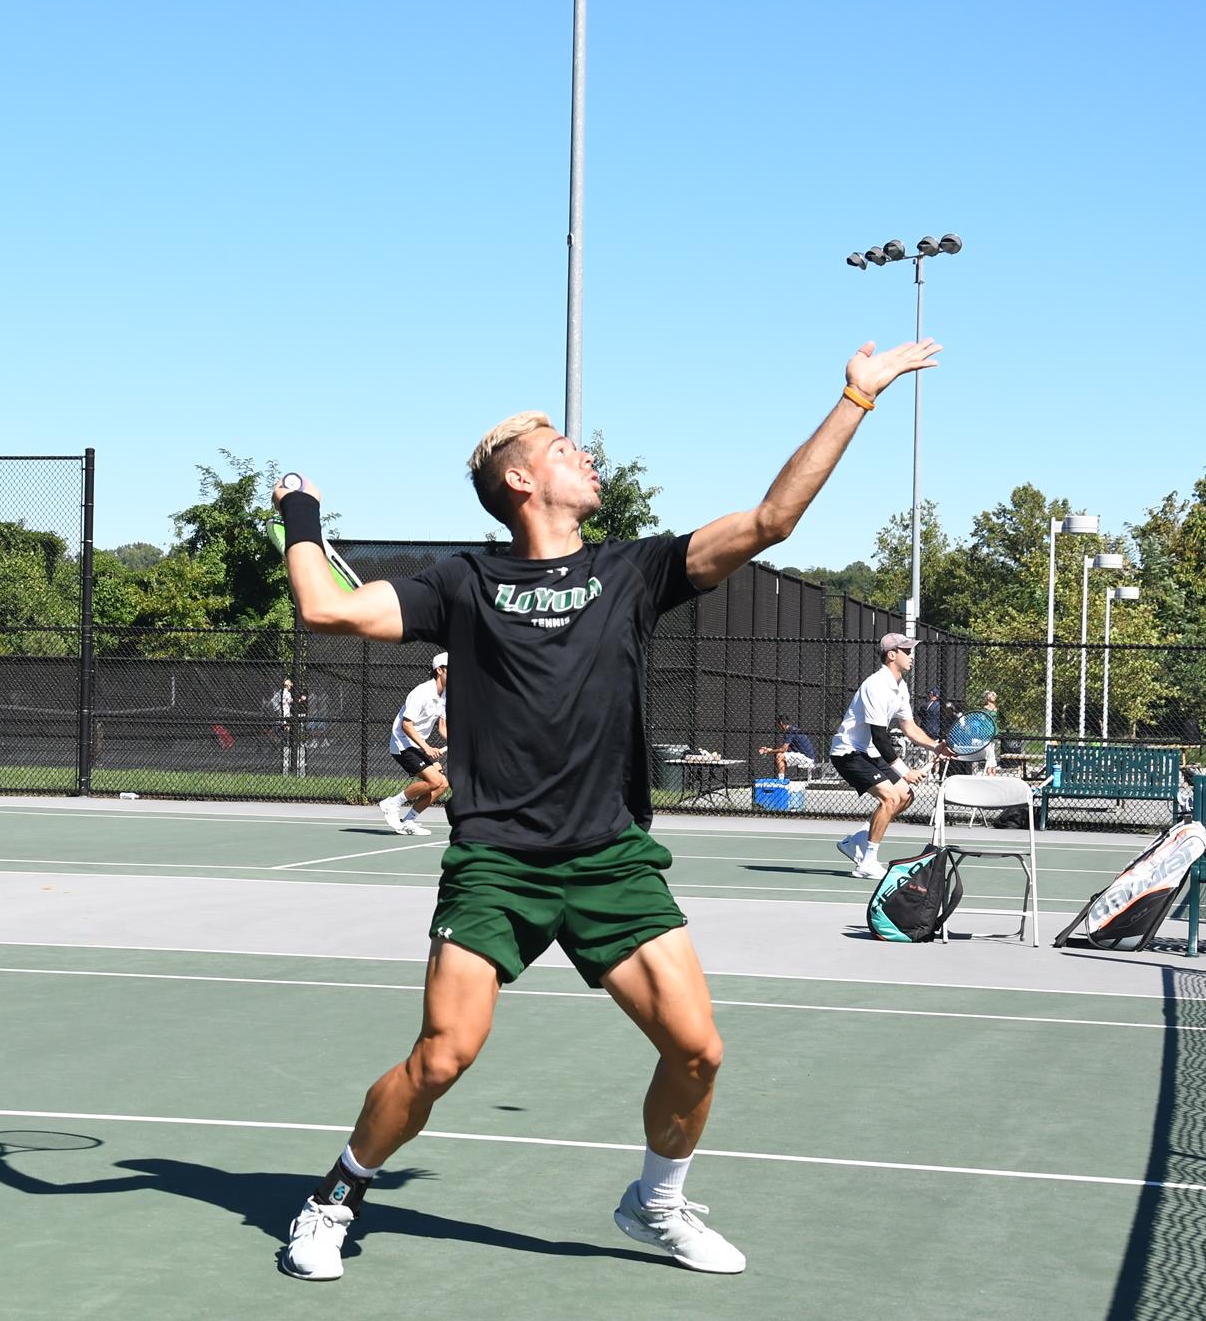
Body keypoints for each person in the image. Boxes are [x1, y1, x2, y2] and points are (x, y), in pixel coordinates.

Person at [269, 336, 942, 1282]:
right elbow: (324, 608)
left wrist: (854, 401)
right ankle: (335, 1194)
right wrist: (301, 510)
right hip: (499, 859)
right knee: (442, 1056)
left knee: (699, 1051)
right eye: (561, 447)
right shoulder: (465, 584)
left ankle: (654, 1202)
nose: (584, 455)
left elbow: (773, 518)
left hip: (609, 859)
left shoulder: (636, 572)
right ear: (517, 478)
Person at [830, 634, 954, 880]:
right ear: (892, 655)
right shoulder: (875, 685)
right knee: (890, 798)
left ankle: (856, 841)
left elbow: (909, 728)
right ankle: (867, 862)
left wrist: (935, 746)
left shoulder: (901, 686)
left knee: (905, 797)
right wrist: (905, 771)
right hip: (848, 752)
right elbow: (879, 736)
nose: (912, 656)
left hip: (869, 752)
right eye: (906, 651)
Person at [378, 652, 450, 835]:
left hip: (418, 744)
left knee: (442, 784)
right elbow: (407, 725)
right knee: (434, 780)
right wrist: (427, 748)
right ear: (439, 670)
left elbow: (442, 728)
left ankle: (409, 820)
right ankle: (392, 803)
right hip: (402, 743)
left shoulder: (446, 695)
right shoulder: (422, 692)